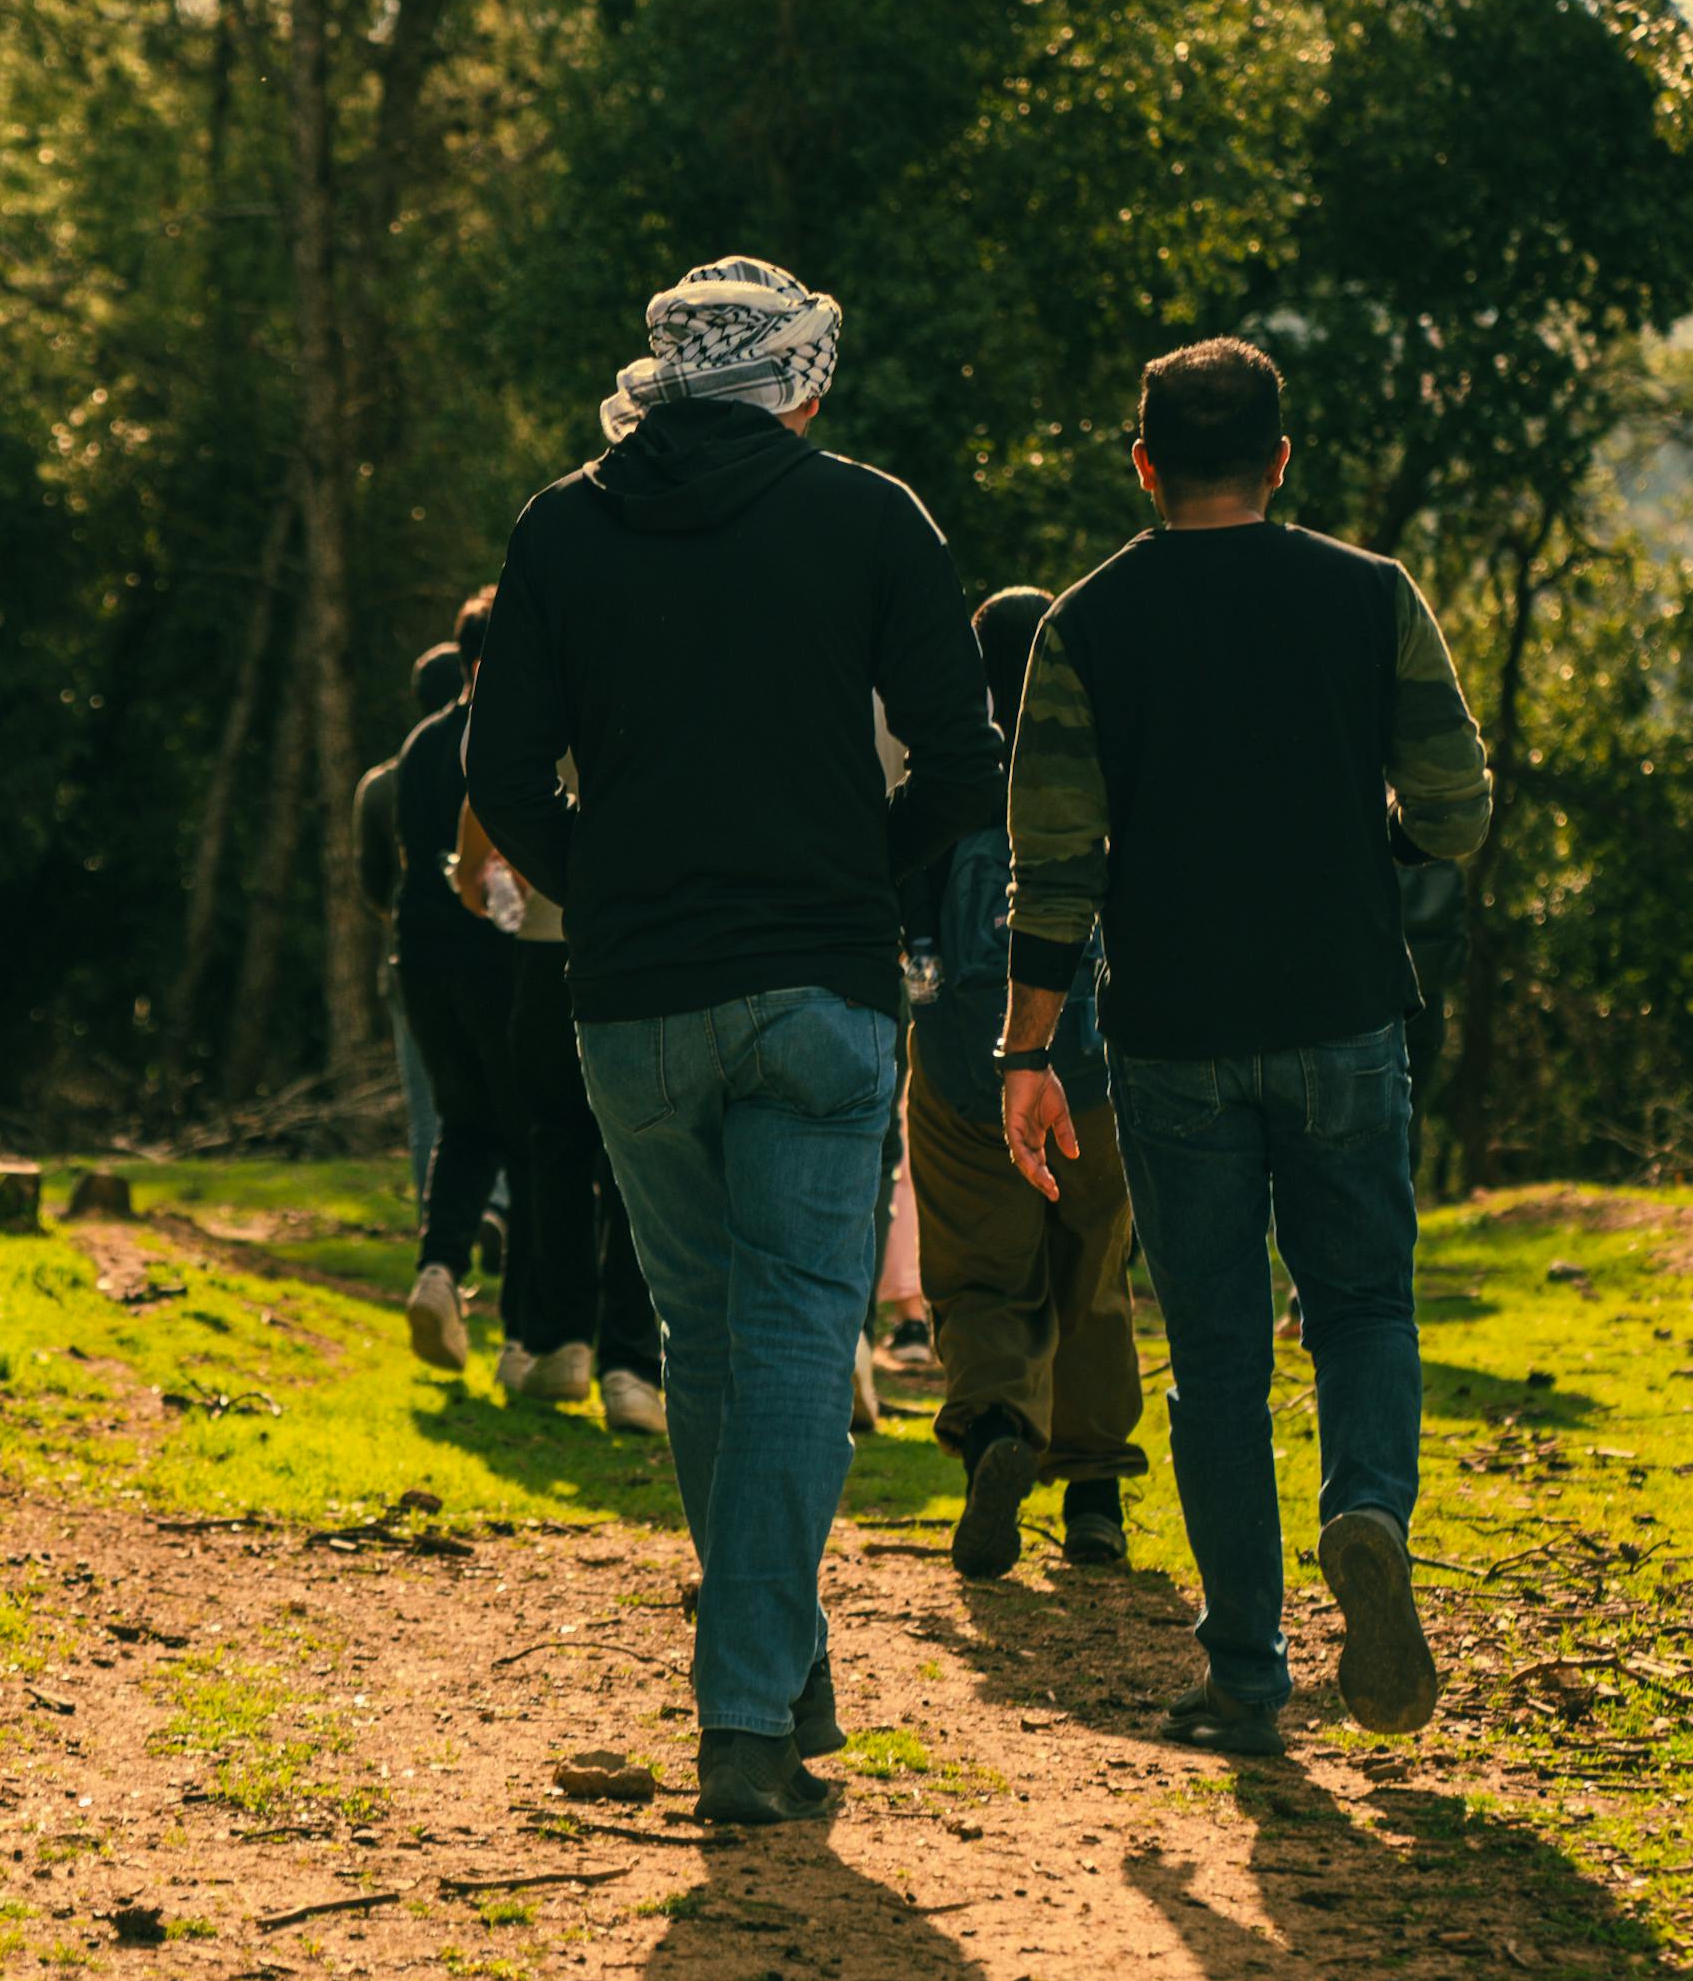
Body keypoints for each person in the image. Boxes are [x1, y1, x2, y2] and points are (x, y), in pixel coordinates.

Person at [465, 256, 1000, 1828]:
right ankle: (746, 1708)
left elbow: (500, 769)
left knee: (712, 1339)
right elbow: (969, 769)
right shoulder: (870, 519)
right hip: (817, 991)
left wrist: (608, 892)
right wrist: (857, 876)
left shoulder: (562, 527)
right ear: (800, 385)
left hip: (633, 1000)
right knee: (784, 1340)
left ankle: (777, 1654)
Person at [998, 335, 1490, 1756]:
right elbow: (1454, 814)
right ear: (1282, 460)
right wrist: (1369, 836)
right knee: (1360, 1305)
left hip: (1173, 1032)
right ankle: (1366, 1512)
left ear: (1142, 464)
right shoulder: (1370, 597)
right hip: (1341, 1007)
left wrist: (1025, 1054)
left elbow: (1053, 866)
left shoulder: (1082, 627)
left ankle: (1244, 1672)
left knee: (1215, 1355)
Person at [904, 587, 1143, 1582]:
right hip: (1091, 1073)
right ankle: (1092, 1499)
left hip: (964, 1073)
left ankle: (1000, 1428)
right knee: (1091, 1267)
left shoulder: (942, 787)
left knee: (978, 1271)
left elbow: (903, 932)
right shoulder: (1107, 775)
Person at [451, 787, 668, 1435]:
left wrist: (484, 878)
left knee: (557, 1145)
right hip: (649, 938)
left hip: (551, 940)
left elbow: (487, 792)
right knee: (640, 1150)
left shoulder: (542, 684)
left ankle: (563, 1340)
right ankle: (631, 1364)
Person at [364, 612, 515, 1372]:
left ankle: (440, 1271)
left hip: (417, 953)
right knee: (530, 1123)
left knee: (463, 1118)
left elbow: (393, 858)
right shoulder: (508, 735)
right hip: (491, 950)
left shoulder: (419, 743)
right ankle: (533, 1326)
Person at [354, 637, 466, 1201]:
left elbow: (372, 882)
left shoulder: (380, 786)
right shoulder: (484, 765)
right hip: (480, 947)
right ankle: (493, 1210)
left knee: (427, 1112)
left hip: (406, 953)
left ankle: (436, 1249)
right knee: (491, 1095)